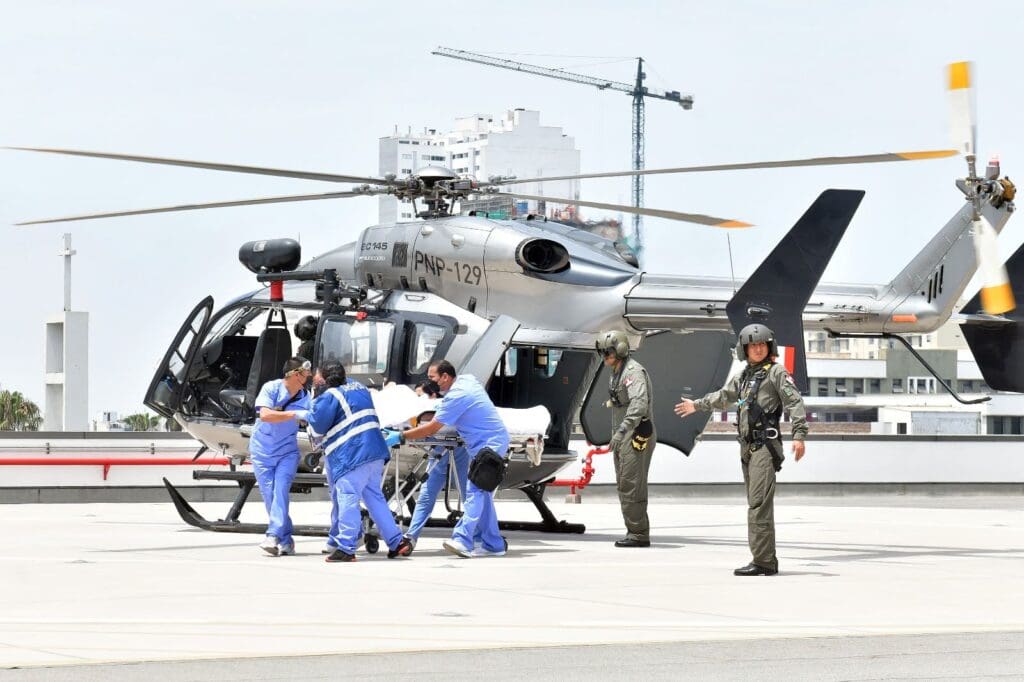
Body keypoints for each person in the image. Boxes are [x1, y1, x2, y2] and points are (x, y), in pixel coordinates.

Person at [674, 324, 807, 576]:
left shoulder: (776, 372)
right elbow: (724, 396)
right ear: (744, 350)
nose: (757, 349)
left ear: (769, 347)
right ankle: (764, 559)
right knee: (754, 504)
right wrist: (697, 405)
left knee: (758, 505)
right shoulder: (744, 377)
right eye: (752, 345)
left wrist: (799, 435)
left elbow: (795, 401)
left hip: (764, 448)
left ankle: (764, 562)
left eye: (761, 344)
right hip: (747, 448)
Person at [307, 361, 414, 563]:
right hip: (374, 452)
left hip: (352, 455)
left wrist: (313, 402)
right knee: (375, 498)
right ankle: (396, 542)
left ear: (324, 378)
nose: (315, 379)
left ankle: (346, 547)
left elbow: (318, 425)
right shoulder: (358, 386)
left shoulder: (331, 395)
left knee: (348, 498)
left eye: (317, 375)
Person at [401, 360, 509, 558]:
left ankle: (462, 539)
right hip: (483, 444)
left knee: (475, 490)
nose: (431, 382)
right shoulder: (467, 381)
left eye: (433, 378)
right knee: (482, 494)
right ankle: (494, 544)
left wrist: (402, 436)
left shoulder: (457, 396)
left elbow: (432, 428)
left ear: (445, 376)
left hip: (490, 444)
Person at [595, 330, 655, 548]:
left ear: (619, 350)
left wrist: (621, 432)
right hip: (624, 433)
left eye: (608, 352)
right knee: (624, 482)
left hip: (634, 432)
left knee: (631, 483)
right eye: (602, 353)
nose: (605, 357)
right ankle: (634, 530)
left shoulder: (633, 372)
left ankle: (638, 534)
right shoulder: (617, 372)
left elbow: (639, 404)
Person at [250, 356, 312, 557]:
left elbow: (312, 420)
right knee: (270, 497)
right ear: (295, 374)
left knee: (280, 492)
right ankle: (286, 540)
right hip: (262, 451)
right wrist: (294, 415)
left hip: (287, 452)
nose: (309, 375)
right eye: (305, 371)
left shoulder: (305, 396)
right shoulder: (271, 388)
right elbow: (265, 415)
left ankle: (273, 535)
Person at [403, 379, 470, 548]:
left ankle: (477, 536)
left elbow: (431, 428)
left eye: (421, 395)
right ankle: (411, 536)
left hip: (458, 449)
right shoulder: (424, 412)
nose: (419, 399)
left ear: (433, 395)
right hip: (438, 452)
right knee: (426, 496)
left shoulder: (442, 406)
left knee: (468, 496)